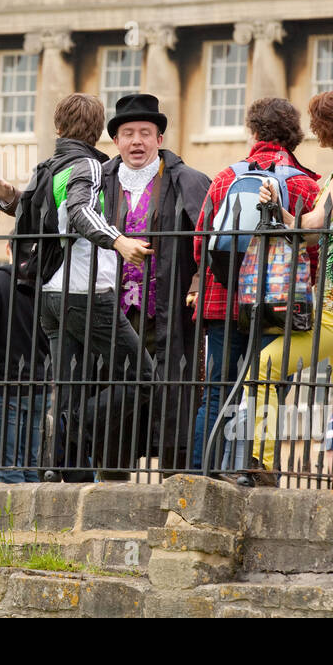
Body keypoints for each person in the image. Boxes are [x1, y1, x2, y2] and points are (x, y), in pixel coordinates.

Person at [0, 93, 153, 482]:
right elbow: (79, 211)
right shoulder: (90, 164)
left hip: (50, 297)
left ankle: (58, 466)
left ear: (58, 126)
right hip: (85, 293)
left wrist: (7, 194)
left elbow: (36, 213)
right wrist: (118, 240)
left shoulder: (49, 165)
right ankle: (73, 423)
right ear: (99, 130)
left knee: (69, 385)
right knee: (145, 378)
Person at [256, 89, 333, 492]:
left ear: (331, 126)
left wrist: (280, 208)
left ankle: (264, 462)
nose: (313, 130)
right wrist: (288, 215)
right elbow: (320, 231)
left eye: (318, 123)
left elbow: (315, 223)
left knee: (263, 368)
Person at [192, 98, 320, 474]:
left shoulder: (224, 179)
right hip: (278, 308)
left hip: (223, 304)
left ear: (253, 132)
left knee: (216, 394)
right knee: (264, 396)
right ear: (294, 137)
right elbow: (312, 255)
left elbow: (201, 243)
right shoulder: (306, 185)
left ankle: (202, 476)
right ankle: (245, 474)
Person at [99, 94, 210, 476]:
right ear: (116, 141)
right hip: (113, 314)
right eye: (128, 133)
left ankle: (174, 478)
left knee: (170, 389)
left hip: (169, 312)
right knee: (117, 391)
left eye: (145, 133)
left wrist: (197, 283)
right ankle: (112, 477)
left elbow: (207, 238)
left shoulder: (187, 181)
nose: (136, 142)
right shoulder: (101, 182)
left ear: (159, 138)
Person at [0, 241, 49, 483]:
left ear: (8, 248)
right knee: (32, 465)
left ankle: (15, 522)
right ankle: (33, 520)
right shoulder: (48, 285)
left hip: (5, 386)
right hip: (39, 385)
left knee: (8, 466)